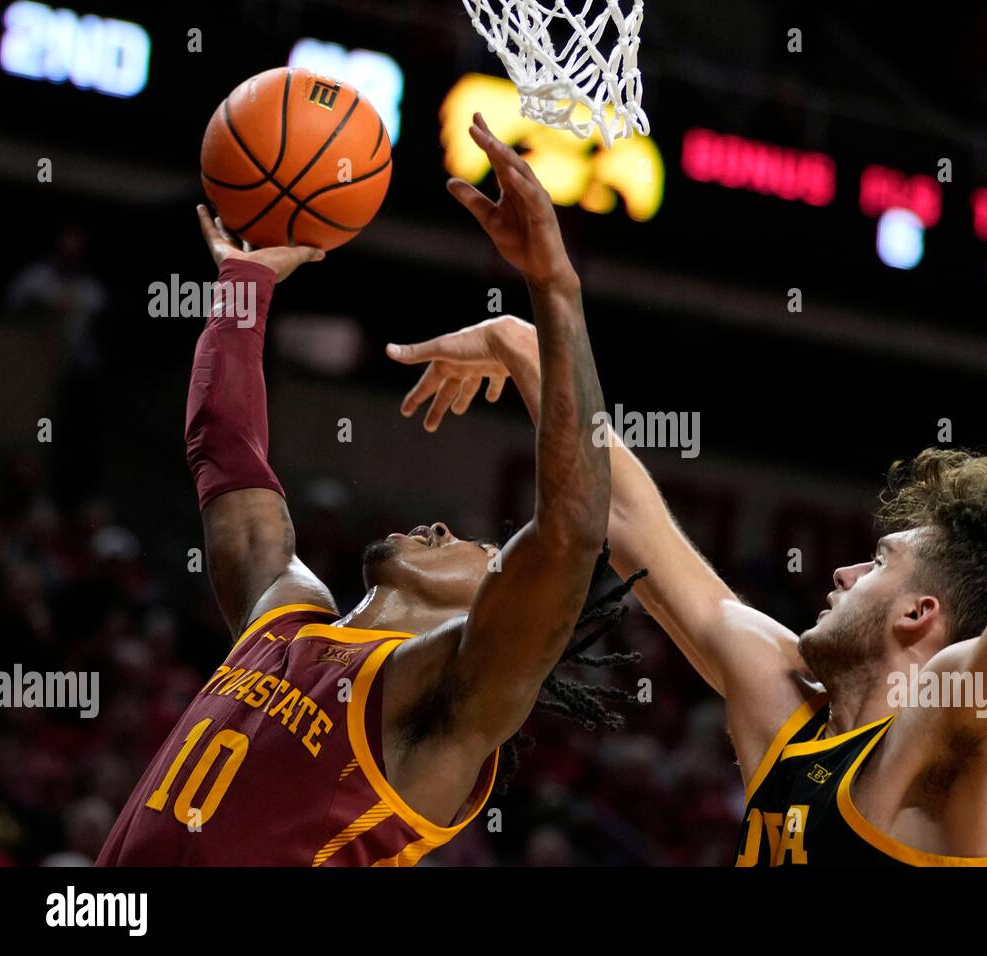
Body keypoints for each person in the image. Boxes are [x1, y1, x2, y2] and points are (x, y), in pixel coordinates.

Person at [389, 174, 987, 866]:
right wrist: (538, 325)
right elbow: (631, 517)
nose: (843, 573)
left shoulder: (944, 735)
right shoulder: (785, 709)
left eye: (878, 561)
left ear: (919, 615)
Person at [98, 114, 619, 866]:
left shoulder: (445, 701)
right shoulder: (283, 614)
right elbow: (224, 452)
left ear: (497, 603)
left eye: (481, 547)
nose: (443, 528)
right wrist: (246, 286)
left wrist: (553, 287)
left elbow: (568, 539)